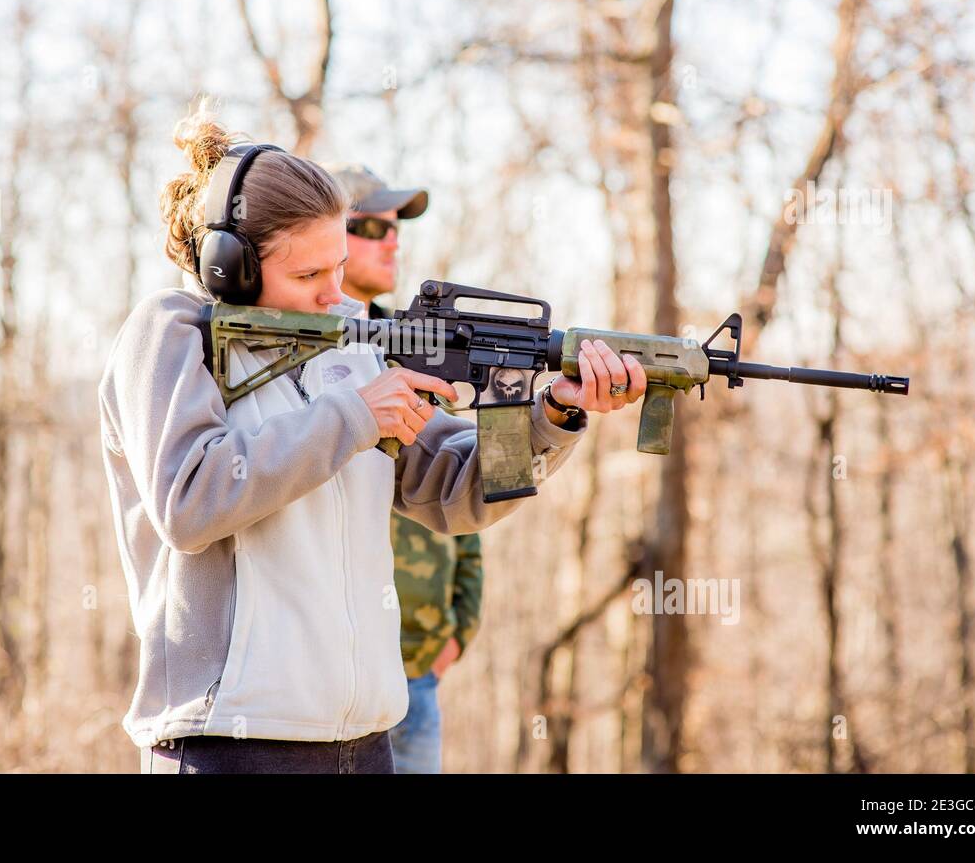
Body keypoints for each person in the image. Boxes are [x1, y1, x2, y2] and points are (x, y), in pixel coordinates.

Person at [99, 105, 647, 774]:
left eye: (337, 267)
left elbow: (455, 492)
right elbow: (190, 500)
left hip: (366, 741)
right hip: (231, 741)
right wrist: (356, 416)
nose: (336, 295)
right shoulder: (170, 334)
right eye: (308, 277)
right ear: (228, 266)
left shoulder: (352, 342)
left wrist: (551, 416)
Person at [323, 162, 479, 774]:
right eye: (369, 226)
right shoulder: (299, 353)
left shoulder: (422, 344)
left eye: (396, 228)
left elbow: (463, 476)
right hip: (336, 669)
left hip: (417, 667)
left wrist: (457, 632)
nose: (392, 240)